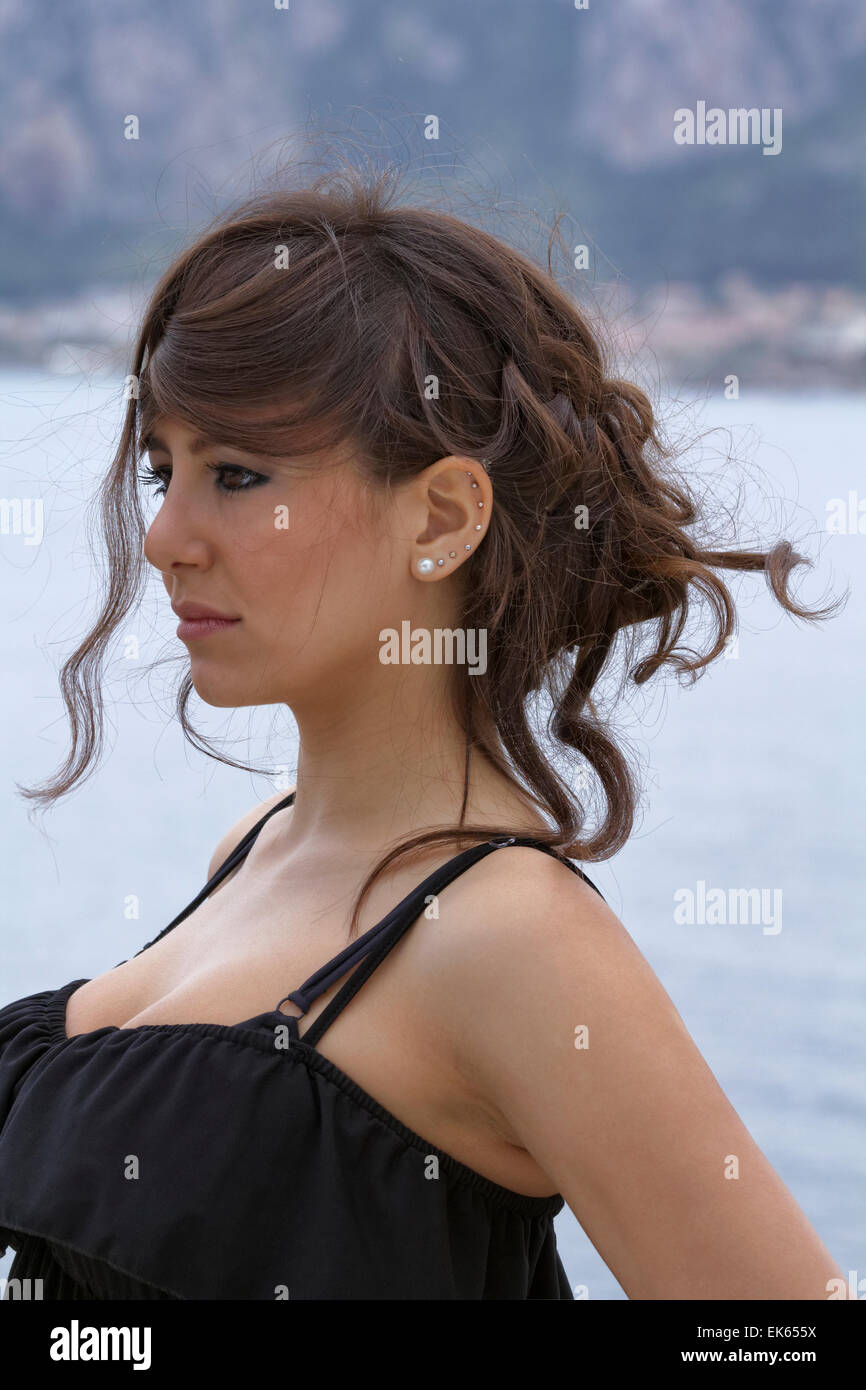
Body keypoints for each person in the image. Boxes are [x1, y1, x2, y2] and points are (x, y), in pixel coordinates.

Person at [0, 163, 847, 1300]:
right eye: (166, 471)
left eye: (239, 475)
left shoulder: (505, 935)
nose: (166, 537)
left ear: (440, 517)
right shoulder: (258, 845)